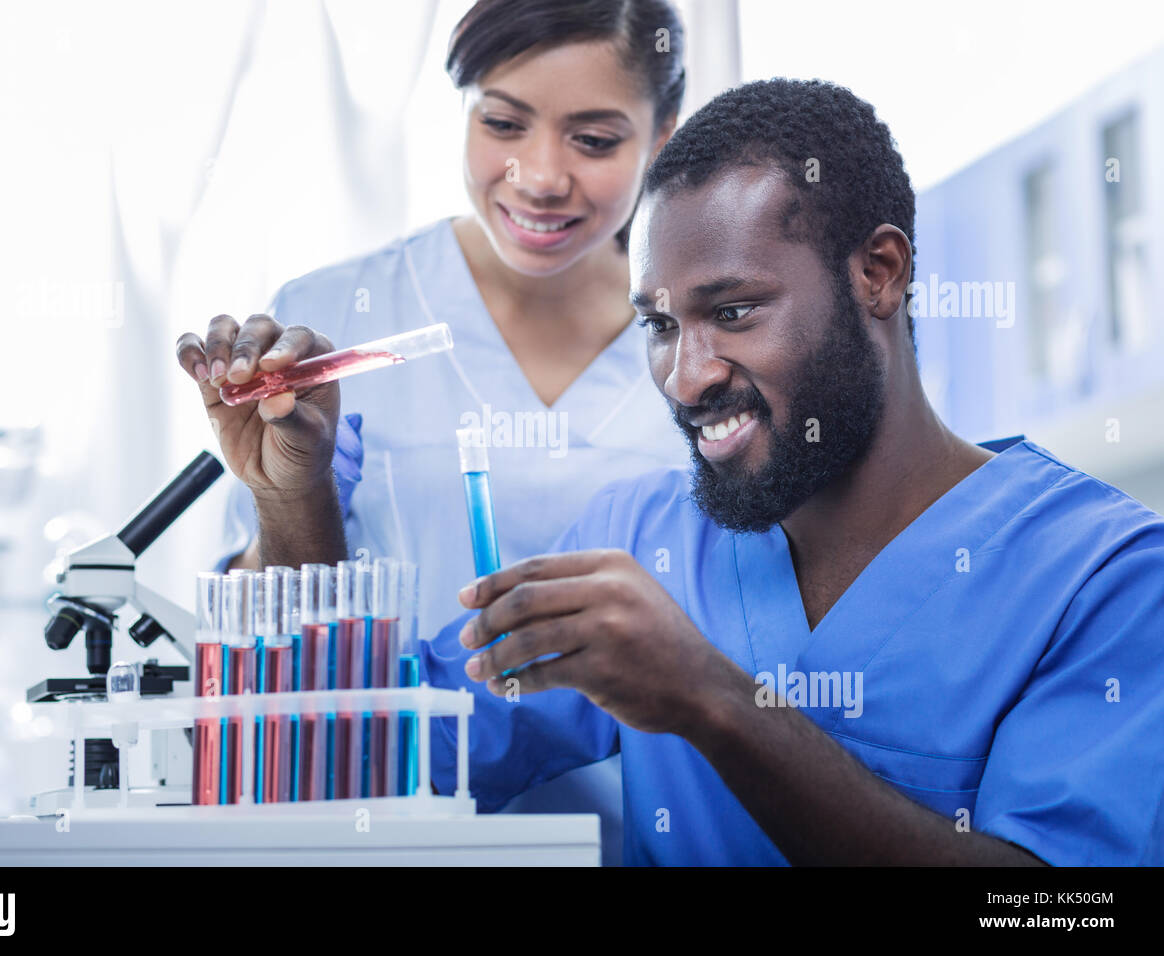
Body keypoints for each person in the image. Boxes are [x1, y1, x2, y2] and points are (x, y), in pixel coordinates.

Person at [186, 77, 1164, 865]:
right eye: (658, 324)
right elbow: (359, 762)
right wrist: (292, 496)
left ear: (880, 272)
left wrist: (714, 702)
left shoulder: (1104, 575)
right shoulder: (637, 541)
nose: (685, 376)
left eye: (733, 310)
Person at [175, 0, 688, 864]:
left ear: (662, 136)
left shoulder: (703, 345)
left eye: (594, 140)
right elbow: (268, 647)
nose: (540, 176)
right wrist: (288, 496)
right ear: (460, 110)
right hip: (372, 839)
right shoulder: (333, 318)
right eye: (503, 123)